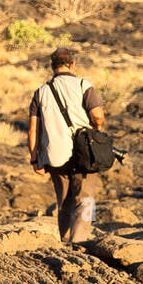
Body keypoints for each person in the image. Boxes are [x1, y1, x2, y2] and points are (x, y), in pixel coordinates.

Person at [28, 45, 107, 244]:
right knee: (86, 199)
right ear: (72, 64)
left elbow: (33, 130)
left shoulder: (41, 92)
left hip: (55, 155)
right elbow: (97, 115)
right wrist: (96, 129)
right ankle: (79, 242)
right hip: (84, 153)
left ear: (52, 67)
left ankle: (64, 241)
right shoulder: (83, 85)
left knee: (63, 201)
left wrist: (35, 159)